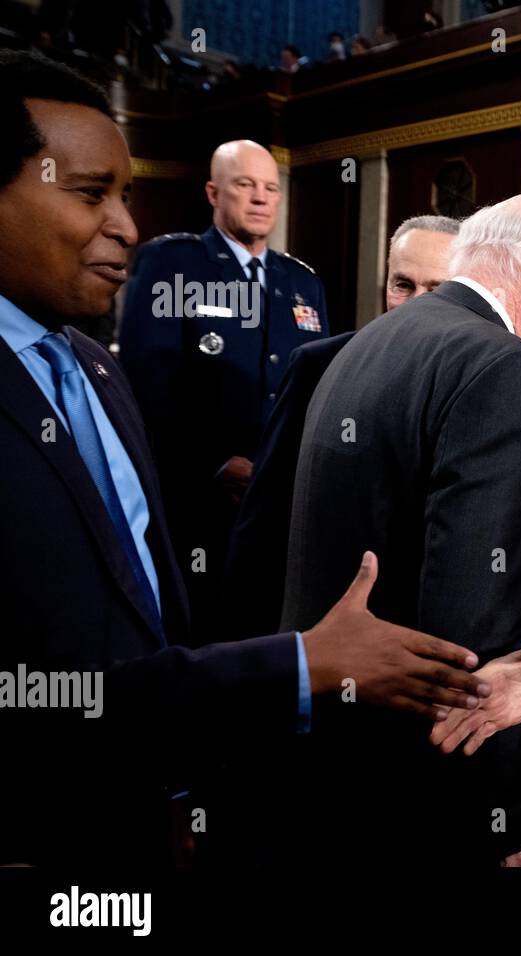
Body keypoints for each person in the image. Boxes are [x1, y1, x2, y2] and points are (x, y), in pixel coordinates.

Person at [0, 49, 486, 866]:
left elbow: (149, 624)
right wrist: (303, 663)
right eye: (91, 194)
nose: (125, 225)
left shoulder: (94, 368)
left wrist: (183, 793)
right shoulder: (170, 278)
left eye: (124, 194)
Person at [276, 194, 521, 867]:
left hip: (326, 767)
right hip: (427, 802)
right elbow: (476, 628)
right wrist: (508, 822)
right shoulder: (507, 369)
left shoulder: (366, 344)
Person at [118, 139, 329, 642]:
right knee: (203, 634)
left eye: (270, 188)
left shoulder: (301, 281)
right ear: (214, 192)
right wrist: (212, 464)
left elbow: (316, 386)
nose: (260, 198)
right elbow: (147, 387)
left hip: (282, 498)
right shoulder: (175, 264)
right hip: (199, 503)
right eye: (245, 185)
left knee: (271, 630)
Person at [224, 215, 460, 638]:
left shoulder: (480, 384)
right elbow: (263, 524)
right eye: (403, 285)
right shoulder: (318, 364)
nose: (417, 304)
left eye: (438, 290)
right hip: (321, 636)